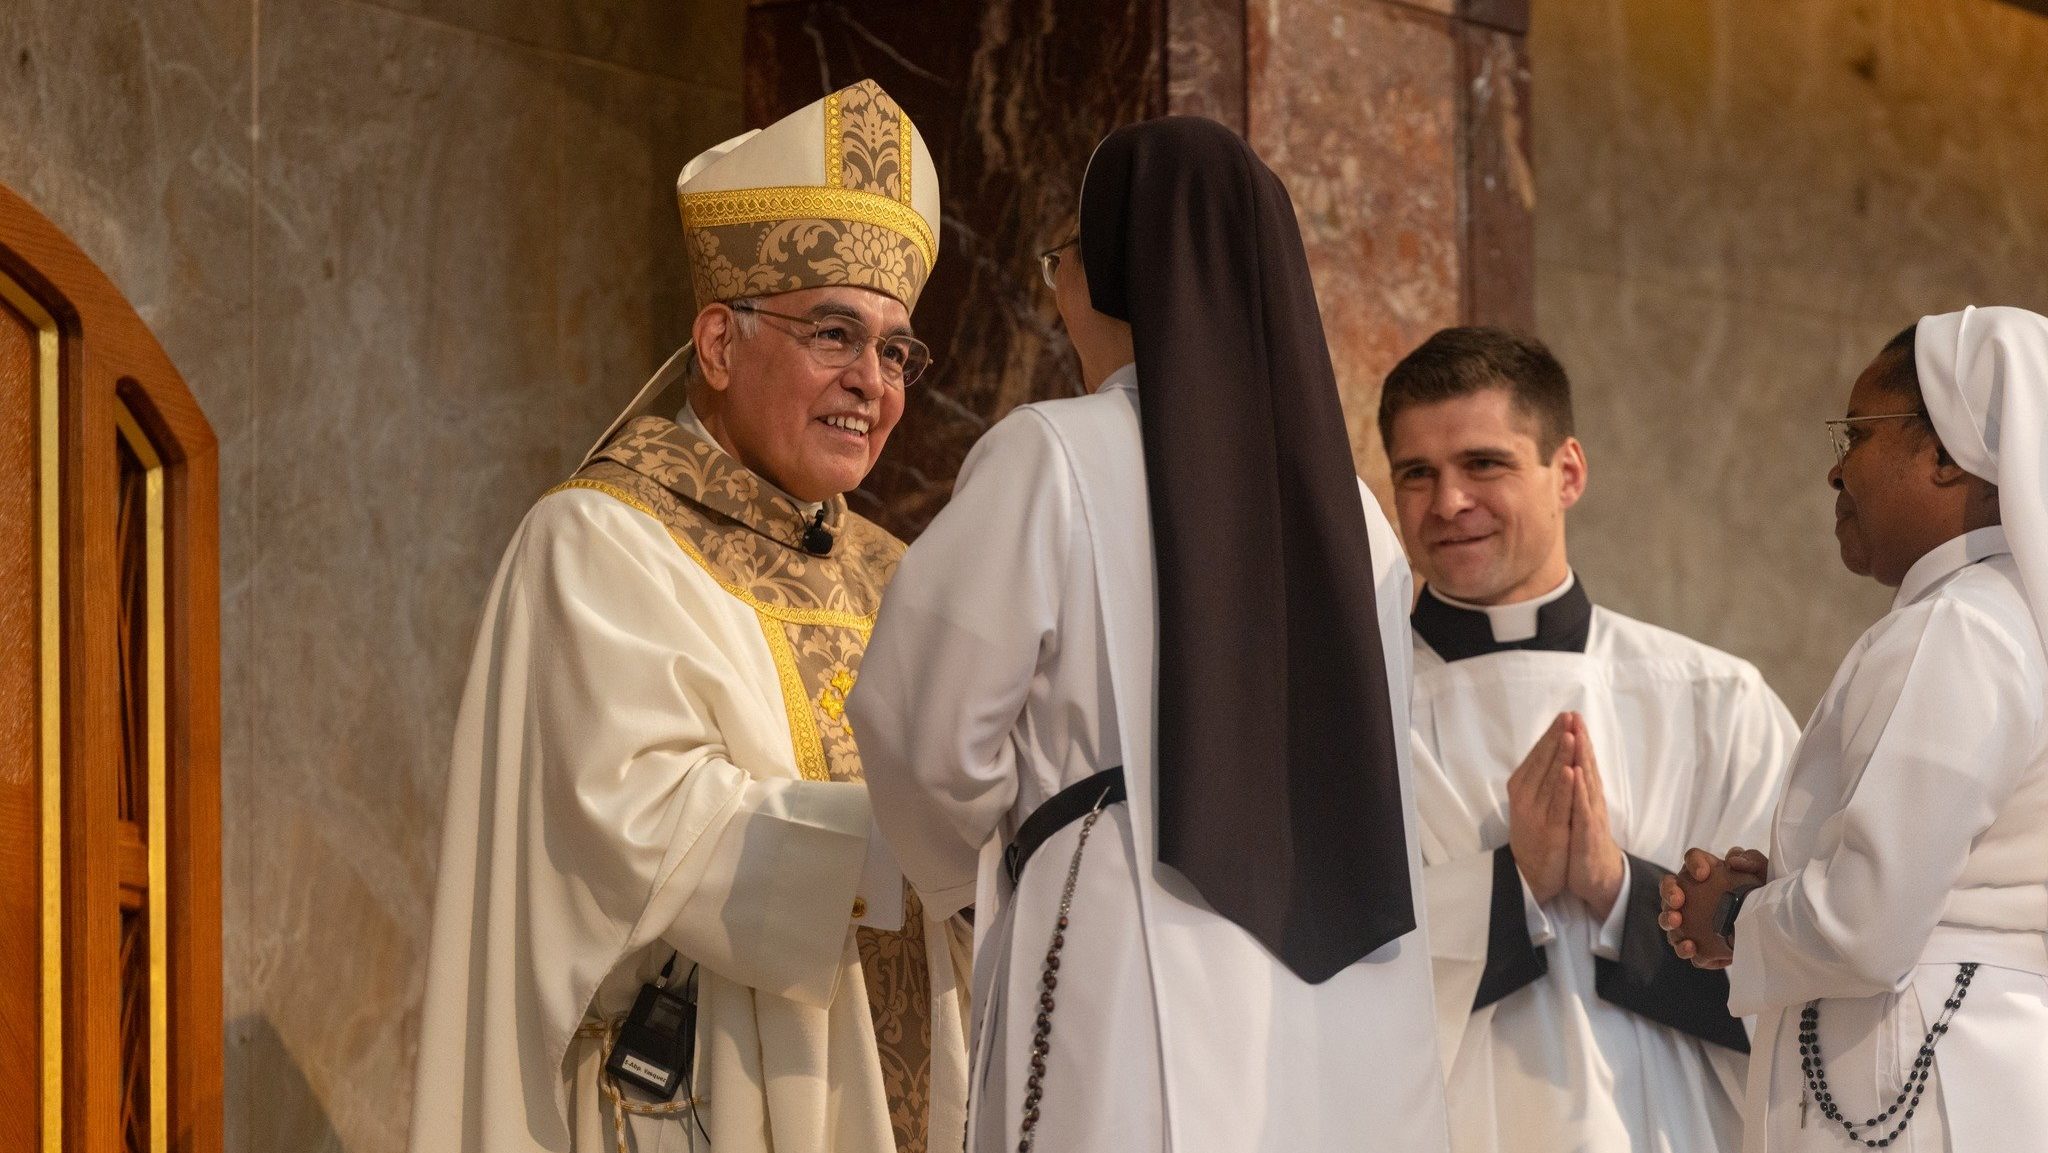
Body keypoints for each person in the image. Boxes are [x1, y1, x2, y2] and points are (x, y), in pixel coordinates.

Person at [847, 117, 1448, 1153]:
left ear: (1120, 267)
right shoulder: (1358, 518)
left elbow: (921, 727)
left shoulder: (1049, 453)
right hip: (1342, 1005)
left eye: (1062, 259)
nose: (1053, 290)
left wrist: (972, 869)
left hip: (1116, 937)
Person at [408, 79, 969, 1153]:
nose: (872, 384)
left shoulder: (905, 576)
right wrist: (918, 839)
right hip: (703, 1100)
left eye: (895, 351)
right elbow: (648, 827)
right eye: (835, 335)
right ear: (717, 343)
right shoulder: (599, 542)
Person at [1379, 327, 1798, 1153]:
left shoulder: (1713, 699)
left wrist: (1620, 891)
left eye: (1484, 464)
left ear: (1567, 471)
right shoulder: (1352, 711)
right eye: (1416, 473)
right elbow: (1314, 978)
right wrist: (1511, 887)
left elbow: (1805, 964)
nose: (1448, 502)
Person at [1661, 308, 2048, 1152]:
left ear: (1947, 454)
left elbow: (1869, 920)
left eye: (1859, 433)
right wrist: (1790, 881)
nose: (1836, 471)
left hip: (1926, 1070)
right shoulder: (2005, 618)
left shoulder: (1962, 625)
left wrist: (1733, 917)